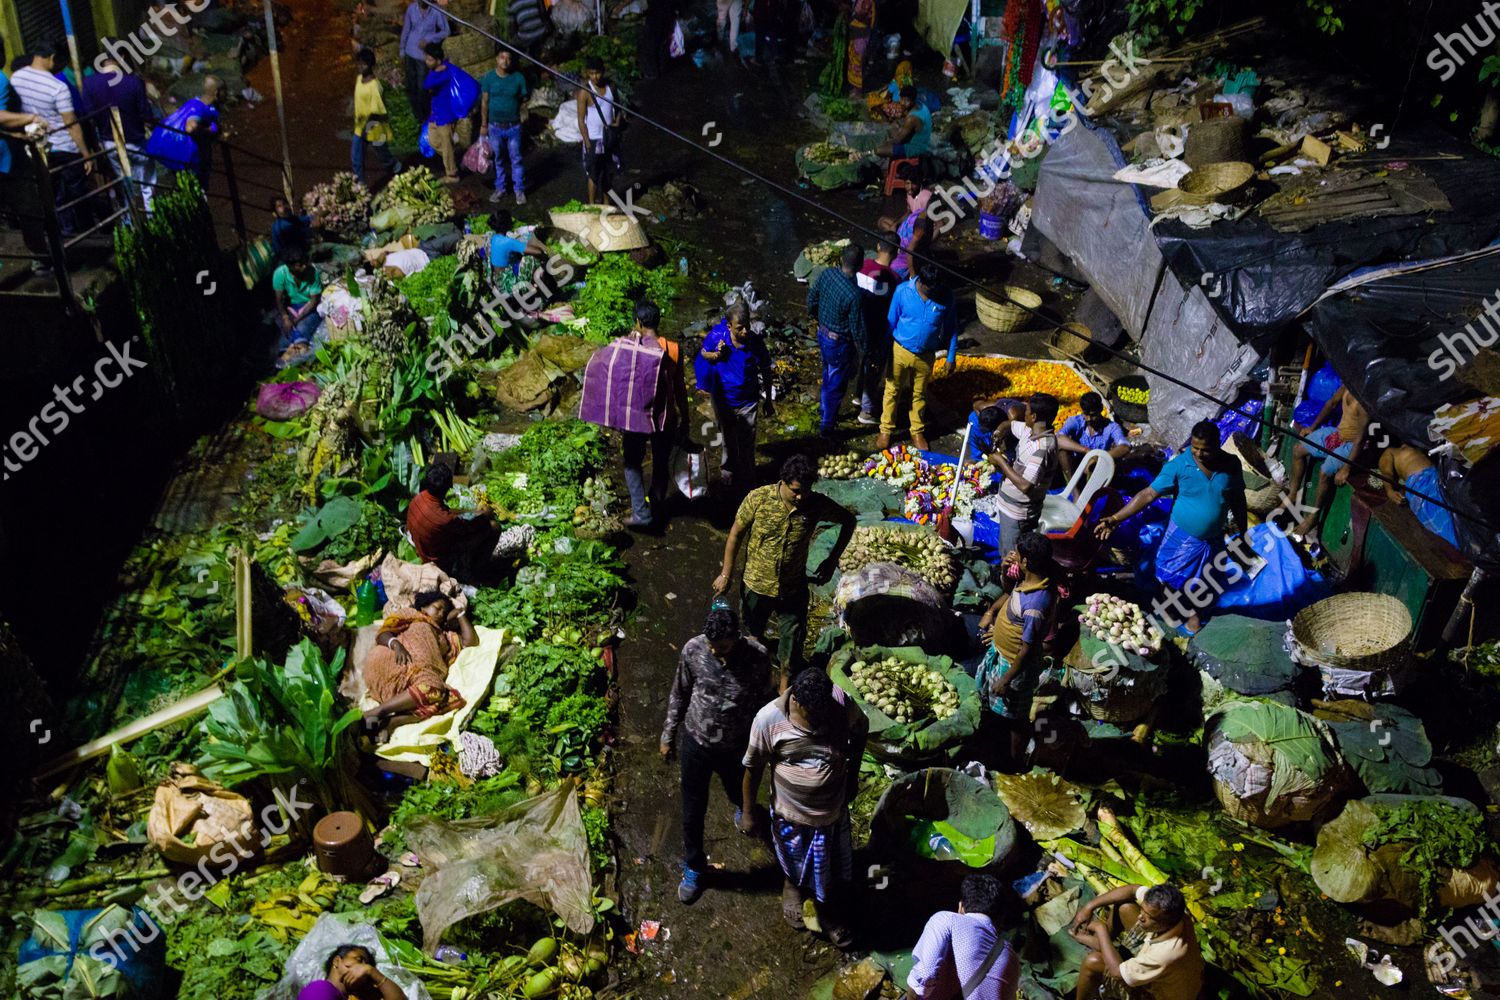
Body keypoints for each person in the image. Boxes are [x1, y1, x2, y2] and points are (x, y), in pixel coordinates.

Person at [742, 666, 867, 949]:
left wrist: (853, 776)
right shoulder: (769, 719)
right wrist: (748, 811)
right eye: (813, 714)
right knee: (793, 860)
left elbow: (862, 729)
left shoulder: (840, 703)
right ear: (795, 700)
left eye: (824, 712)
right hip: (791, 815)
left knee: (831, 867)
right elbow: (753, 768)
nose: (820, 720)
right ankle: (792, 886)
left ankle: (827, 911)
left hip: (832, 813)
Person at [660, 607, 774, 904]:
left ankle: (743, 808)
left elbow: (765, 703)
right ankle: (694, 867)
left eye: (722, 647)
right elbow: (680, 692)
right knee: (692, 810)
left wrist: (765, 744)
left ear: (736, 637)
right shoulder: (694, 650)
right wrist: (668, 734)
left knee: (739, 790)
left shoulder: (758, 658)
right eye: (712, 645)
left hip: (736, 746)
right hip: (696, 742)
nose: (715, 651)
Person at [1095, 420, 1247, 636]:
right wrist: (1116, 518)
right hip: (1181, 535)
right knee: (1169, 576)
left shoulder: (1230, 465)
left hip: (1212, 538)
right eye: (1195, 448)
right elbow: (1148, 494)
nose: (1199, 454)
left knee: (1205, 580)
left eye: (1205, 449)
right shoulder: (1179, 465)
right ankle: (1178, 613)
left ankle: (1192, 615)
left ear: (1217, 444)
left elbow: (1238, 499)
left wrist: (1243, 531)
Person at [714, 454, 856, 680]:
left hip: (793, 587)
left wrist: (831, 561)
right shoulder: (758, 499)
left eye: (806, 490)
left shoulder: (815, 505)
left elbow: (848, 521)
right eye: (796, 491)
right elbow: (735, 534)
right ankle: (756, 666)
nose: (801, 496)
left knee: (792, 647)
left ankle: (784, 686)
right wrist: (726, 574)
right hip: (756, 584)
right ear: (783, 481)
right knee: (754, 633)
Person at [976, 531, 1057, 767]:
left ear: (1027, 562)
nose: (1015, 557)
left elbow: (1028, 650)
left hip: (1014, 667)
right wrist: (1005, 571)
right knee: (999, 709)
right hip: (1001, 655)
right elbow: (1010, 592)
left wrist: (1006, 679)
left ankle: (1014, 761)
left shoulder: (1036, 606)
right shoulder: (1029, 580)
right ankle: (996, 739)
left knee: (1015, 717)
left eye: (1019, 556)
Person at [361, 591, 476, 735]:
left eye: (445, 612)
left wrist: (460, 613)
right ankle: (378, 712)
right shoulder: (412, 615)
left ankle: (390, 723)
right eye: (438, 607)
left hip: (415, 676)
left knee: (447, 698)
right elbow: (383, 633)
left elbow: (470, 642)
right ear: (423, 607)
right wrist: (397, 645)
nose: (441, 613)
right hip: (393, 659)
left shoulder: (445, 636)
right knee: (433, 689)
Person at [10, 41, 94, 237]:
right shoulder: (58, 86)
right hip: (65, 147)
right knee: (77, 193)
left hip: (39, 148)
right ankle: (88, 233)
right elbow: (71, 123)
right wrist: (86, 153)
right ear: (53, 58)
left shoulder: (16, 78)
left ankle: (66, 233)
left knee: (54, 195)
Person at [619, 300, 689, 529]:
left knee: (632, 463)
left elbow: (621, 384)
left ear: (638, 322)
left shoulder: (630, 348)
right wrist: (685, 418)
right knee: (660, 462)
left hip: (637, 417)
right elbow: (680, 388)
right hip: (665, 417)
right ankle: (657, 506)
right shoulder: (673, 349)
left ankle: (641, 513)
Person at [1069, 882, 1204, 1000]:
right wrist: (1089, 907)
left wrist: (1101, 929)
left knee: (1093, 962)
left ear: (1165, 923)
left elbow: (1117, 973)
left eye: (1149, 916)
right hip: (1161, 959)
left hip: (1157, 994)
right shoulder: (1173, 912)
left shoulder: (1166, 953)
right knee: (1125, 906)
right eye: (1142, 910)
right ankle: (1102, 944)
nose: (1140, 917)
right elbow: (1132, 890)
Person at [877, 263, 958, 452]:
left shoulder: (946, 296)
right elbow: (891, 321)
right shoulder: (902, 291)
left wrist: (951, 355)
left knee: (919, 394)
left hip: (926, 355)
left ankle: (917, 431)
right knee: (892, 391)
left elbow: (952, 328)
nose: (935, 292)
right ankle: (886, 429)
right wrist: (882, 350)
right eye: (932, 289)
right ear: (922, 282)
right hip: (900, 350)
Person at [696, 300, 771, 490]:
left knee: (747, 443)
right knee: (728, 440)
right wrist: (716, 355)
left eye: (747, 326)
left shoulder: (755, 342)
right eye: (740, 328)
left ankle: (748, 480)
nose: (745, 331)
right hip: (723, 401)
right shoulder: (717, 336)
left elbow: (766, 369)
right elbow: (703, 354)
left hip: (748, 402)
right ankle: (727, 474)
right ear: (729, 326)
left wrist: (769, 399)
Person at [907, 874, 1020, 999]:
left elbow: (924, 976)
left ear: (961, 907)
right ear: (1000, 917)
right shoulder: (1012, 958)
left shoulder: (947, 921)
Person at [985, 394, 1060, 561]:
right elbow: (1009, 424)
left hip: (1019, 513)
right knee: (1007, 548)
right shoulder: (1029, 431)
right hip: (1010, 508)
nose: (1023, 414)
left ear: (1034, 416)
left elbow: (1026, 485)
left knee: (1013, 557)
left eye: (1026, 411)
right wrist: (998, 433)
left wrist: (1000, 462)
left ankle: (1009, 576)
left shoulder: (1043, 448)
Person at [1287, 384, 1368, 539]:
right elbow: (1331, 404)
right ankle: (1292, 494)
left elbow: (1360, 440)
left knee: (1324, 473)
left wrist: (1346, 468)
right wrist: (1312, 427)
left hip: (1352, 444)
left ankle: (1313, 517)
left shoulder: (1364, 405)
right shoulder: (1347, 386)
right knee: (1298, 450)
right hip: (1337, 434)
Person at [83, 45, 157, 213]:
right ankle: (152, 216)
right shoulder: (133, 82)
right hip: (135, 141)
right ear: (122, 57)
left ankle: (128, 220)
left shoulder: (89, 83)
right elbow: (145, 114)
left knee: (123, 186)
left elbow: (89, 116)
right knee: (147, 182)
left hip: (109, 143)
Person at [807, 243, 868, 441]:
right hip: (839, 343)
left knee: (828, 372)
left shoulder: (827, 274)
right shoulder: (853, 294)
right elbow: (857, 328)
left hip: (822, 333)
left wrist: (816, 316)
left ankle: (824, 410)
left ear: (841, 259)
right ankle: (827, 426)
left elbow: (812, 299)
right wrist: (864, 351)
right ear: (860, 265)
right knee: (836, 384)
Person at [406, 461, 506, 580]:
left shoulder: (419, 498)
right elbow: (468, 528)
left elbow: (446, 511)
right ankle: (474, 573)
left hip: (423, 549)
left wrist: (472, 510)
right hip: (438, 561)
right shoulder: (444, 519)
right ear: (446, 489)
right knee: (493, 527)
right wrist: (485, 515)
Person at [0, 45, 51, 273]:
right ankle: (41, 257)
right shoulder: (1, 80)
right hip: (7, 162)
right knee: (29, 209)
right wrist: (31, 118)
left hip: (8, 153)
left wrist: (16, 135)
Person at [1379, 443, 1460, 548]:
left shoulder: (1416, 442)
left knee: (1458, 509)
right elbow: (1386, 473)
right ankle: (1466, 548)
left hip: (1438, 475)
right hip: (1419, 484)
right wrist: (1389, 491)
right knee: (1442, 520)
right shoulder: (1391, 452)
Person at [144, 76, 222, 185]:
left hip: (168, 148)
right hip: (185, 154)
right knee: (195, 183)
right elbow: (191, 127)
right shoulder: (200, 108)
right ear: (217, 92)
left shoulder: (194, 101)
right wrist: (210, 130)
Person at [855, 235, 899, 426]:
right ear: (897, 253)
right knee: (873, 370)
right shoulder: (894, 278)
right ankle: (866, 411)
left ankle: (858, 396)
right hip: (878, 330)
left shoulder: (862, 266)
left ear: (878, 246)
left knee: (862, 363)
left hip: (859, 325)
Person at [480, 49, 528, 205]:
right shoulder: (489, 78)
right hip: (494, 126)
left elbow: (524, 99)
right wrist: (483, 124)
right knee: (498, 158)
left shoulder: (518, 78)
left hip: (513, 126)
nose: (505, 61)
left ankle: (519, 190)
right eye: (502, 57)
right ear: (496, 59)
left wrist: (522, 114)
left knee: (516, 158)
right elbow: (484, 102)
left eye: (508, 58)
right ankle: (500, 188)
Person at [422, 42, 473, 184]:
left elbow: (427, 84)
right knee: (433, 141)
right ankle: (453, 160)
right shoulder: (438, 70)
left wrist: (438, 72)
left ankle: (452, 174)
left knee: (445, 143)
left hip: (446, 115)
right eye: (426, 58)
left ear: (438, 61)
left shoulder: (443, 74)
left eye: (430, 59)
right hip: (436, 114)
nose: (427, 62)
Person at [352, 47, 401, 186]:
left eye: (364, 64)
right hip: (360, 127)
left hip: (374, 127)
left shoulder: (375, 86)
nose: (360, 67)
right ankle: (360, 187)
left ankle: (394, 164)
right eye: (359, 63)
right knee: (356, 158)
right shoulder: (359, 79)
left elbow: (375, 111)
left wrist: (365, 127)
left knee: (382, 154)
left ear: (370, 65)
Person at [575, 57, 621, 205]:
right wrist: (587, 142)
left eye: (597, 73)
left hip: (609, 137)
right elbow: (581, 120)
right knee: (594, 175)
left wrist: (617, 123)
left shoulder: (611, 87)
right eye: (591, 73)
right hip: (594, 139)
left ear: (603, 71)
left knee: (608, 173)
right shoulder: (585, 92)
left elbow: (618, 107)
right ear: (587, 73)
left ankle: (606, 205)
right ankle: (592, 205)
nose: (595, 77)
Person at [400, 0, 450, 122]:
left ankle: (424, 117)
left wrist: (430, 39)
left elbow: (446, 31)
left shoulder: (436, 10)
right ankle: (415, 115)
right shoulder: (412, 9)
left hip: (423, 56)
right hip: (410, 52)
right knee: (411, 86)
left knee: (422, 87)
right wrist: (402, 49)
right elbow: (406, 30)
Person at [298, 944, 406, 1000]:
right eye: (359, 960)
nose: (363, 967)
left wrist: (373, 972)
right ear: (337, 961)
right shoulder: (320, 989)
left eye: (366, 965)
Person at [1057, 391, 1130, 475]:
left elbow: (1125, 446)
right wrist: (1087, 451)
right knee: (1062, 451)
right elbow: (1059, 438)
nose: (1088, 419)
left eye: (1093, 415)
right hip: (1075, 464)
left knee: (1116, 460)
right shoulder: (1075, 421)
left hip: (1097, 465)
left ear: (1101, 409)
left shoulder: (1112, 427)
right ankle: (1072, 482)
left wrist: (1098, 458)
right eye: (1086, 414)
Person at [485, 208, 550, 295]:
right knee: (530, 258)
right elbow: (537, 251)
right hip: (507, 287)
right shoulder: (508, 242)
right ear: (506, 224)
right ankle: (534, 286)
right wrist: (545, 256)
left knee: (516, 256)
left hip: (498, 281)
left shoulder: (494, 238)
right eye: (510, 220)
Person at [272, 250, 324, 350]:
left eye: (305, 263)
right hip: (292, 307)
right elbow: (279, 300)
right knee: (284, 333)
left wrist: (296, 320)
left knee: (302, 328)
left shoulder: (312, 272)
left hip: (310, 307)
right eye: (299, 265)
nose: (304, 266)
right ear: (289, 266)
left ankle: (299, 346)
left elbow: (314, 301)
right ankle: (289, 348)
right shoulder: (280, 273)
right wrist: (285, 318)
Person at [876, 84, 932, 159]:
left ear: (913, 100)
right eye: (902, 99)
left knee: (878, 150)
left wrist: (885, 143)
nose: (903, 103)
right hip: (923, 141)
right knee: (892, 127)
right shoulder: (921, 105)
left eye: (907, 100)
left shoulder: (912, 118)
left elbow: (898, 140)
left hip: (914, 148)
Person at [846, 0, 877, 96]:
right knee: (854, 61)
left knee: (858, 62)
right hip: (857, 33)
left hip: (861, 34)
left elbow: (861, 15)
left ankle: (857, 90)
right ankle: (855, 87)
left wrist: (847, 10)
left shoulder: (866, 1)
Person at [270, 195, 312, 261]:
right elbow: (304, 234)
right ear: (275, 213)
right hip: (293, 258)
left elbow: (306, 219)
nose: (284, 207)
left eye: (284, 204)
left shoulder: (291, 219)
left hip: (299, 252)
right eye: (279, 206)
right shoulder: (281, 226)